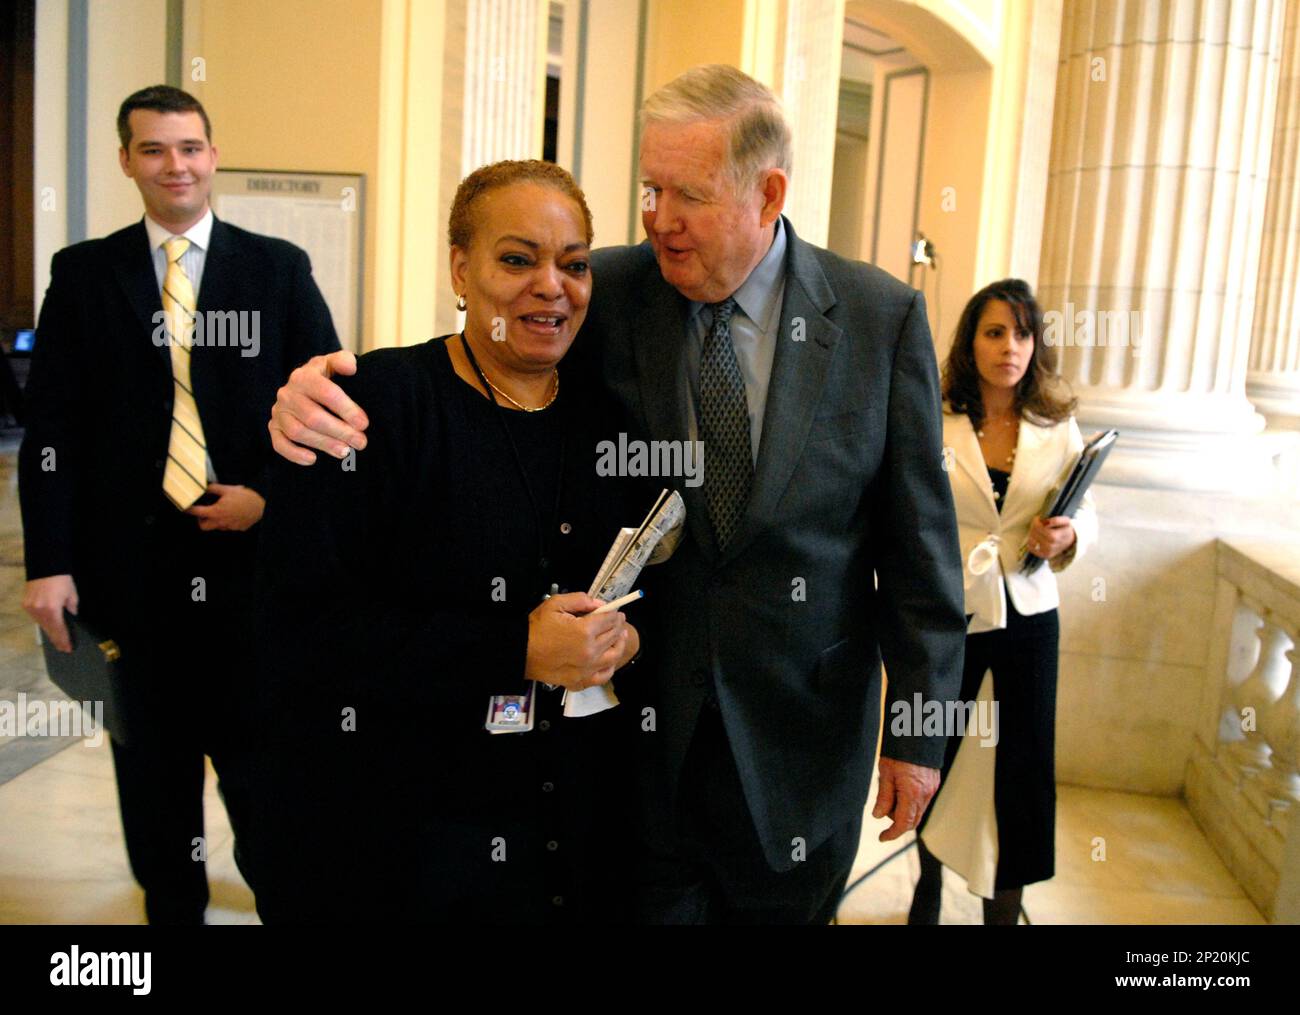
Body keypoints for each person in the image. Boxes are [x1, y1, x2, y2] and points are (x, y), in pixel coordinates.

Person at [267, 65, 966, 924]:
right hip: (635, 754)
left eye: (689, 195)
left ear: (768, 192)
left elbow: (921, 555)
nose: (658, 219)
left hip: (800, 750)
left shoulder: (878, 317)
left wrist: (921, 734)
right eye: (649, 188)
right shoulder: (611, 288)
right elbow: (484, 345)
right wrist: (313, 391)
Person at [244, 159, 644, 924]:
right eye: (517, 258)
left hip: (562, 834)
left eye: (575, 264)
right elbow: (298, 632)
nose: (551, 286)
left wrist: (620, 641)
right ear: (461, 268)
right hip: (399, 840)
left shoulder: (609, 423)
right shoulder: (364, 410)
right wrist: (512, 649)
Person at [18, 85, 340, 924]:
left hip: (252, 579)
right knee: (152, 769)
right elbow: (51, 428)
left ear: (213, 154)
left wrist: (269, 500)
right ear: (126, 160)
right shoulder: (84, 275)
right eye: (154, 149)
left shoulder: (277, 269)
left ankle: (289, 898)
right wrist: (48, 563)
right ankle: (172, 909)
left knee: (265, 770)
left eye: (189, 147)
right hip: (130, 575)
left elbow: (333, 411)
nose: (175, 165)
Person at [907, 278, 1099, 925]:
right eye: (994, 332)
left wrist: (1067, 533)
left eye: (1022, 333)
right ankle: (927, 881)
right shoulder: (937, 414)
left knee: (1020, 770)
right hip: (951, 610)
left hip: (1029, 612)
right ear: (972, 342)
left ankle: (1004, 905)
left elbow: (1086, 510)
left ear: (1035, 344)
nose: (1009, 346)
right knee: (936, 749)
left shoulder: (1056, 422)